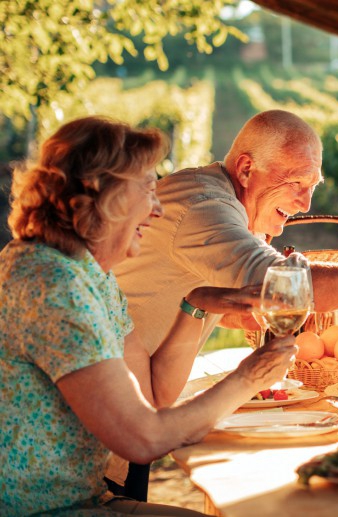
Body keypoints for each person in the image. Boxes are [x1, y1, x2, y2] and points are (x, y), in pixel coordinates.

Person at [107, 110, 338, 489]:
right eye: (297, 182)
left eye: (313, 185)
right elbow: (284, 286)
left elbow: (201, 297)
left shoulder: (219, 200)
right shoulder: (203, 207)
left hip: (138, 402)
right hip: (107, 424)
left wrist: (243, 311)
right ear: (247, 169)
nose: (305, 203)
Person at [0, 116, 296, 515]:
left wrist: (197, 304)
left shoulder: (91, 274)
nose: (157, 209)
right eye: (147, 190)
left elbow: (154, 396)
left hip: (84, 498)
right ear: (104, 194)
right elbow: (142, 440)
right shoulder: (52, 285)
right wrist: (250, 377)